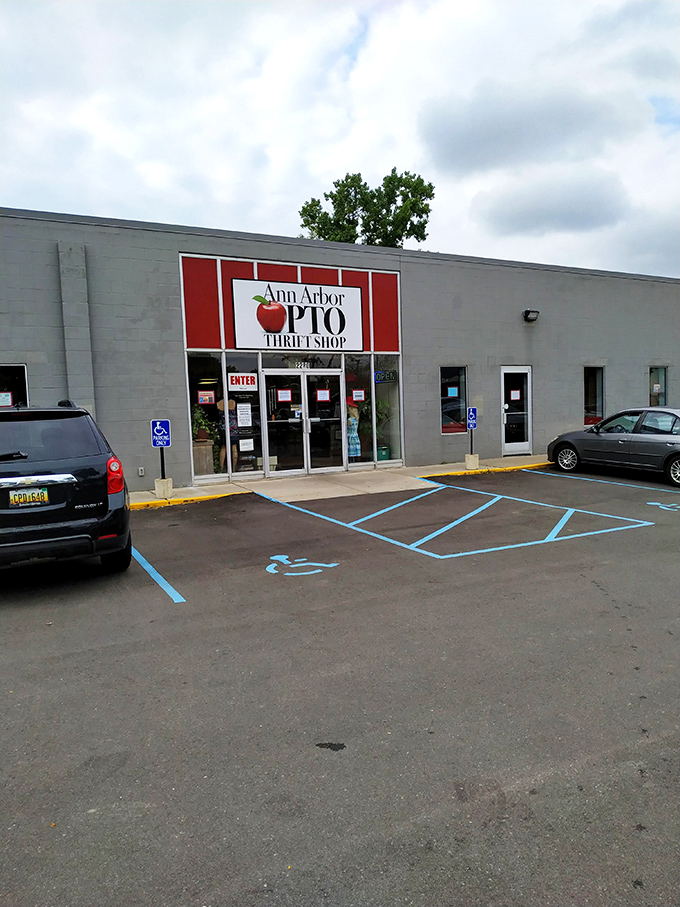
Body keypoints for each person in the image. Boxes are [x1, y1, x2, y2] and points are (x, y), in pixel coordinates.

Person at [346, 397, 361, 461]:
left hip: (350, 437)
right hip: (355, 437)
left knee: (350, 455)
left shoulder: (349, 420)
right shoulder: (356, 419)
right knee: (354, 454)